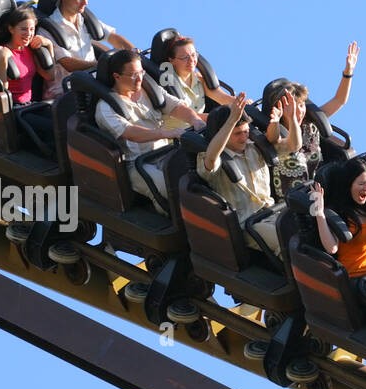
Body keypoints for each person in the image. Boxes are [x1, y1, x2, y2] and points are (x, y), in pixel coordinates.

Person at [94, 49, 205, 215]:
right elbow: (130, 132)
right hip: (139, 163)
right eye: (133, 75)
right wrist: (167, 133)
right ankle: (175, 225)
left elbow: (176, 106)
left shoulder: (148, 89)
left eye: (141, 72)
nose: (139, 78)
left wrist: (195, 120)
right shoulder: (105, 108)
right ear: (117, 76)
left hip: (166, 152)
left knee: (202, 173)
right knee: (166, 186)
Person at [304, 156, 366, 326]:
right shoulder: (340, 214)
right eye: (361, 184)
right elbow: (331, 248)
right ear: (349, 185)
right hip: (356, 281)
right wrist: (320, 214)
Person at [262, 42, 358, 195]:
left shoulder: (309, 124)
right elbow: (281, 141)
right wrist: (288, 119)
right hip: (295, 198)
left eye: (301, 105)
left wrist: (348, 72)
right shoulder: (276, 128)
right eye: (293, 107)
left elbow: (339, 100)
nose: (299, 111)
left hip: (320, 187)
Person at [198, 92, 285, 255]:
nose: (244, 137)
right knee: (287, 242)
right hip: (249, 225)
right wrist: (231, 120)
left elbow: (292, 146)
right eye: (237, 133)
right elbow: (211, 158)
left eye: (246, 132)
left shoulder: (255, 148)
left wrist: (291, 119)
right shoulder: (212, 156)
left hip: (274, 212)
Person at [43, 0, 134, 100]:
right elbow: (67, 63)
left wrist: (133, 53)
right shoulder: (48, 29)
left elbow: (112, 37)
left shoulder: (85, 19)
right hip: (66, 92)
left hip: (93, 83)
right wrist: (100, 65)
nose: (85, 3)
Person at [0, 6, 56, 141]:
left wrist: (49, 45)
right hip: (15, 110)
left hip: (31, 105)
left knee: (63, 121)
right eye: (23, 29)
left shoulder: (29, 50)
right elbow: (2, 89)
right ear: (11, 29)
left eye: (31, 29)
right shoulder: (3, 52)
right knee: (52, 129)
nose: (28, 34)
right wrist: (3, 60)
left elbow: (50, 76)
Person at [156, 34, 234, 128]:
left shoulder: (200, 78)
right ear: (172, 61)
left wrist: (242, 103)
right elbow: (184, 113)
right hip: (178, 137)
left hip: (200, 131)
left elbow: (221, 97)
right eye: (184, 57)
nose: (191, 61)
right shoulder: (167, 83)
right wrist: (216, 117)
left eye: (193, 55)